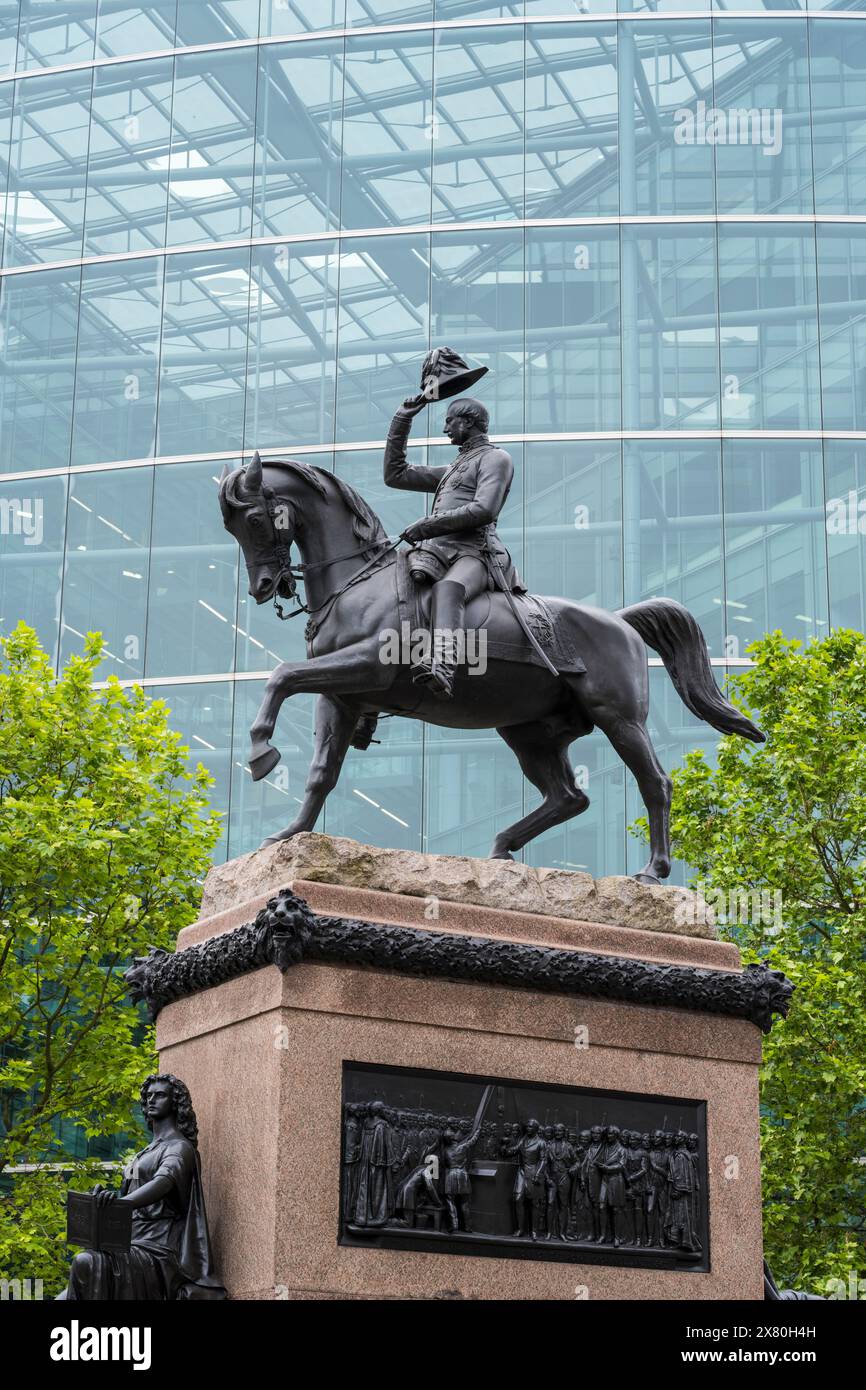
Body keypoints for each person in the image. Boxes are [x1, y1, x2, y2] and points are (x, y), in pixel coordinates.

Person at [383, 380, 524, 700]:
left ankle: (444, 665)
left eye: (450, 421)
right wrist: (402, 420)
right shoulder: (453, 467)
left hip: (478, 552)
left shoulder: (495, 458)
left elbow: (484, 509)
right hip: (443, 552)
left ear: (469, 422)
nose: (445, 427)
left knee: (450, 588)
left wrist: (427, 525)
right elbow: (396, 475)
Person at [57, 1073, 225, 1301]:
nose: (151, 1100)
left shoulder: (179, 1147)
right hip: (129, 1243)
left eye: (160, 1095)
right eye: (148, 1096)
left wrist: (121, 1203)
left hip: (159, 1249)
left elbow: (163, 1182)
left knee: (86, 1262)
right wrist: (106, 1199)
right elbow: (128, 1197)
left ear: (175, 1102)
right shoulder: (141, 1155)